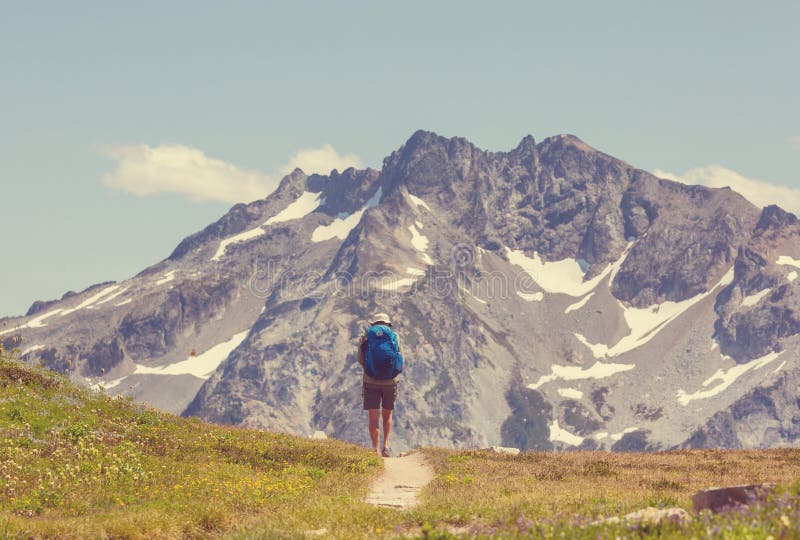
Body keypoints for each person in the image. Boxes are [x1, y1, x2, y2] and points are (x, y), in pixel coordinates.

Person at [357, 312, 403, 457]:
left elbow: (360, 359)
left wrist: (370, 371)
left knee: (373, 417)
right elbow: (400, 358)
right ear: (388, 325)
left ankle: (375, 450)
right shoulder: (395, 337)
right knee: (387, 414)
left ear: (373, 324)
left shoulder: (365, 337)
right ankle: (386, 446)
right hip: (390, 382)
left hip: (371, 381)